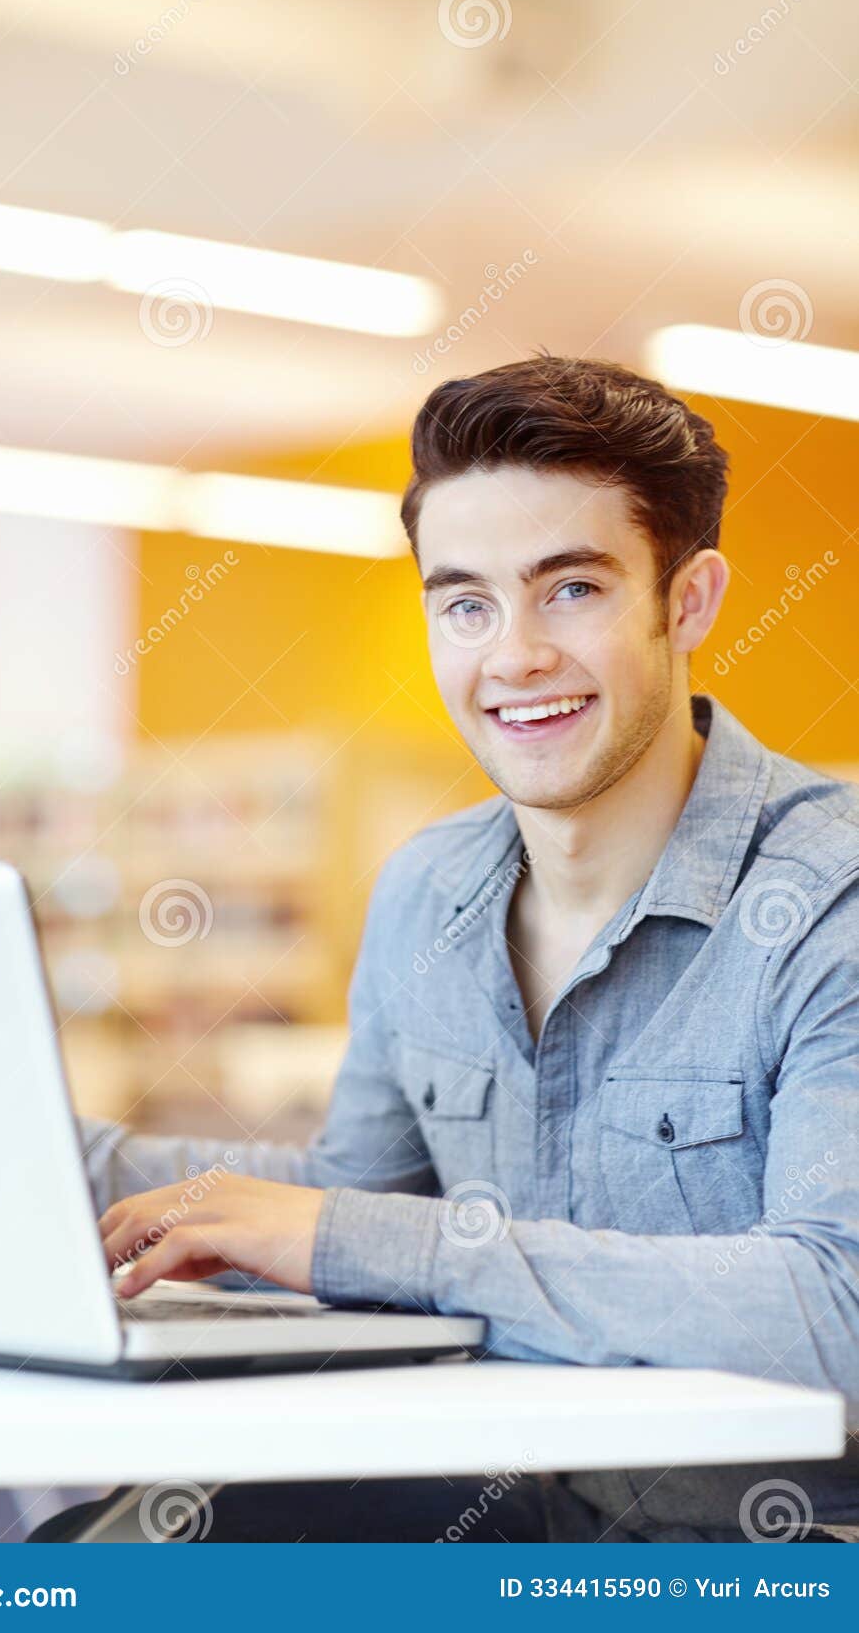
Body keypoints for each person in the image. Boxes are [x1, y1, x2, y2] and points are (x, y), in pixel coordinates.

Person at [77, 355, 859, 1543]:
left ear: (687, 600)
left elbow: (835, 1309)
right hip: (506, 1504)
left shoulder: (825, 898)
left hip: (771, 1560)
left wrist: (362, 1236)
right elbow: (363, 1206)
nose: (513, 656)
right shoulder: (427, 891)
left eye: (573, 591)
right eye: (465, 603)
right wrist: (56, 1167)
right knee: (78, 1563)